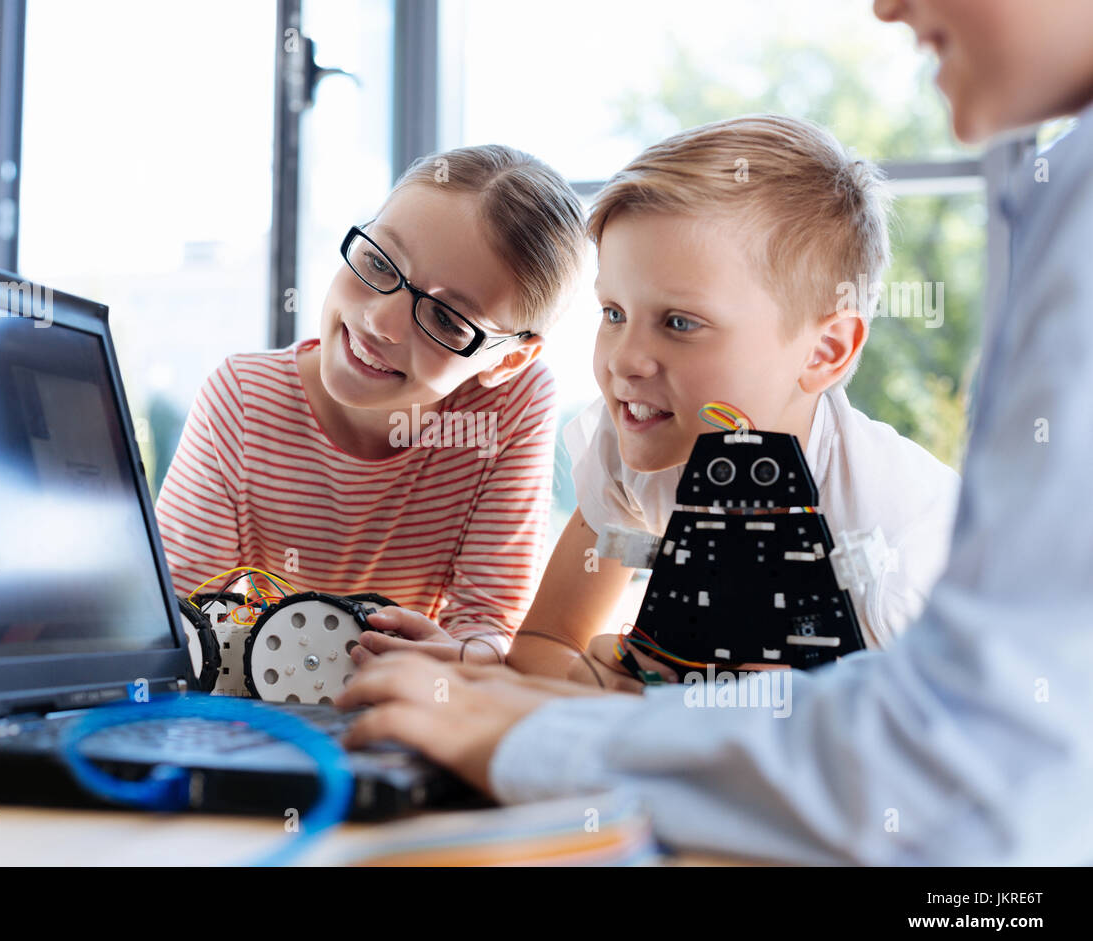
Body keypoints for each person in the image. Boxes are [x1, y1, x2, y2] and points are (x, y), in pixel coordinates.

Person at [338, 0, 1093, 864]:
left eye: (681, 325)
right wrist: (492, 679)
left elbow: (907, 766)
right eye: (614, 312)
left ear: (829, 351)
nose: (625, 357)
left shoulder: (891, 526)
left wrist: (585, 712)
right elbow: (548, 651)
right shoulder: (629, 462)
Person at [155, 146, 584, 655]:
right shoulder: (242, 399)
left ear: (506, 361)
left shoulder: (513, 404)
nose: (381, 322)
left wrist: (461, 659)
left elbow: (487, 623)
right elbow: (178, 627)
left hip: (405, 714)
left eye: (446, 319)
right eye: (379, 263)